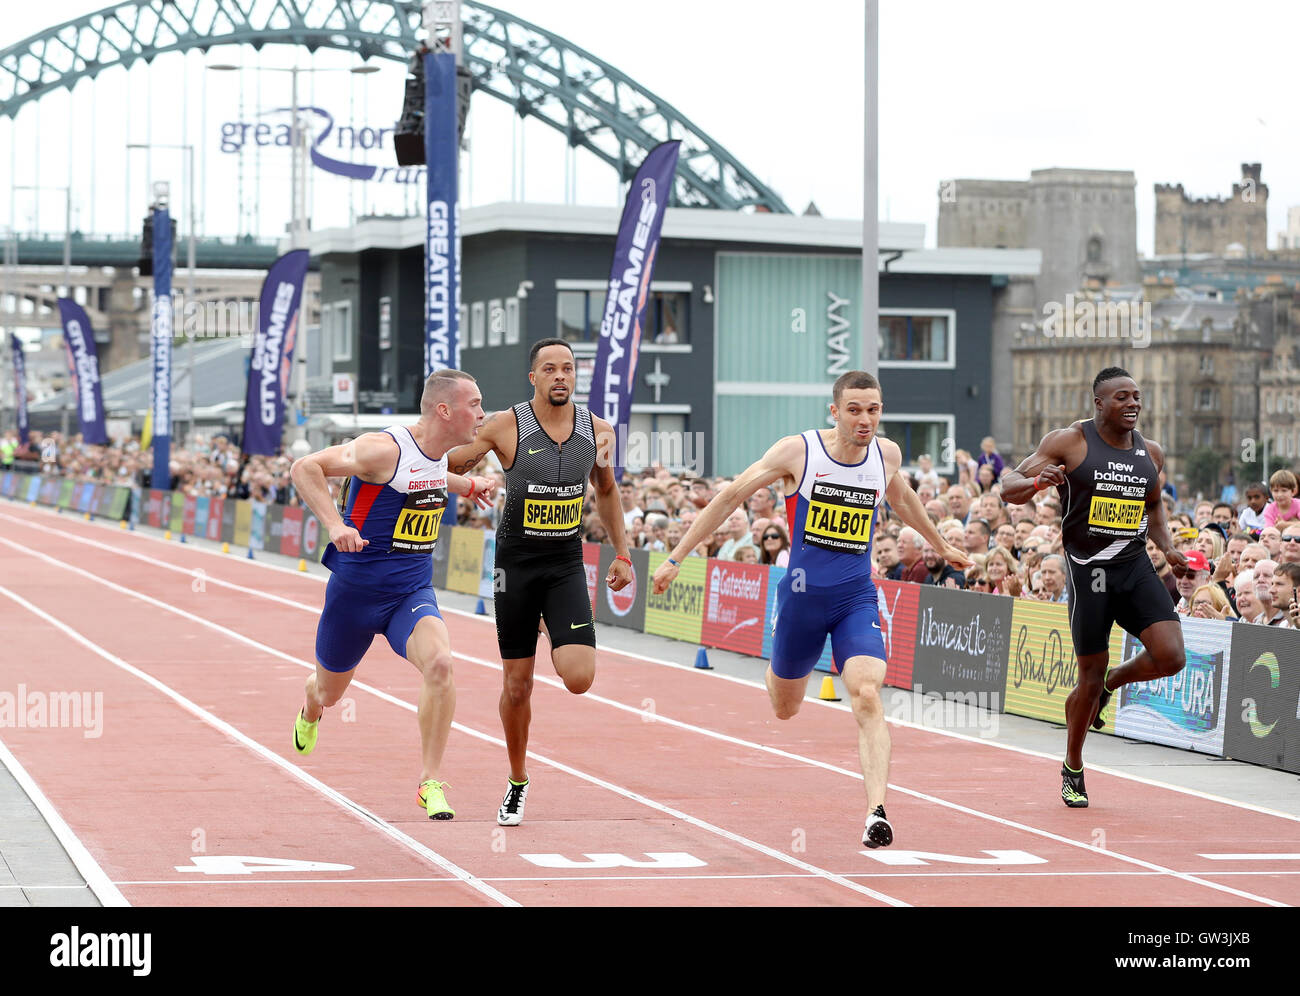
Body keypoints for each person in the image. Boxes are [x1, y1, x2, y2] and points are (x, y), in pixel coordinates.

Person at [651, 371, 971, 848]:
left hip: (854, 598)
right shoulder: (798, 453)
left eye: (874, 410)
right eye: (855, 410)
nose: (866, 420)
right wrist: (677, 556)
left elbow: (901, 496)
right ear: (835, 411)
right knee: (785, 707)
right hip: (800, 601)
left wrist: (940, 543)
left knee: (865, 692)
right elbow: (730, 496)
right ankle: (775, 676)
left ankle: (876, 812)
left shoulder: (886, 456)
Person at [288, 369, 498, 821]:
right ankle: (311, 700)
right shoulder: (382, 449)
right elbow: (304, 467)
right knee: (330, 693)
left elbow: (432, 476)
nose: (483, 414)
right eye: (475, 404)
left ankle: (430, 781)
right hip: (355, 596)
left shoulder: (441, 452)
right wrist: (335, 525)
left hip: (410, 592)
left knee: (441, 663)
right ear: (445, 410)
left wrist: (469, 484)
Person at [444, 338, 632, 826]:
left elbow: (607, 492)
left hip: (565, 563)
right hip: (516, 565)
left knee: (579, 679)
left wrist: (623, 554)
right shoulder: (506, 424)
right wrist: (451, 467)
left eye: (568, 369)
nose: (560, 377)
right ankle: (517, 780)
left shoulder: (600, 431)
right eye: (549, 369)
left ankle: (554, 624)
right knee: (518, 685)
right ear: (534, 377)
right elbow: (449, 461)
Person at [1001, 367, 1188, 808]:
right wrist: (1036, 482)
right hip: (1090, 574)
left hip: (1135, 565)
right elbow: (1009, 487)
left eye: (1137, 397)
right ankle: (1073, 765)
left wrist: (1170, 547)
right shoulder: (1069, 442)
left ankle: (1112, 683)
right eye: (1122, 397)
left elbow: (1155, 507)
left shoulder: (1151, 453)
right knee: (1085, 679)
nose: (1133, 404)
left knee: (1172, 655)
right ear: (1099, 403)